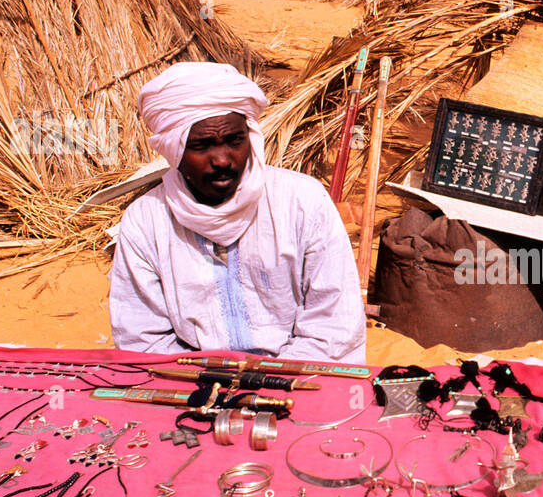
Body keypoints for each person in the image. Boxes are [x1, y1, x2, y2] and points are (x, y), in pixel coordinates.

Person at [109, 61, 365, 362]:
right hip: (192, 382)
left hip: (299, 377)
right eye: (202, 145)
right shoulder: (146, 221)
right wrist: (210, 382)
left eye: (234, 141)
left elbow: (334, 325)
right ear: (173, 150)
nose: (222, 159)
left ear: (250, 137)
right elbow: (143, 339)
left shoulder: (302, 202)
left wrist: (269, 380)